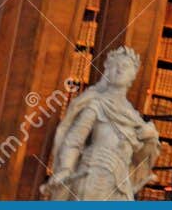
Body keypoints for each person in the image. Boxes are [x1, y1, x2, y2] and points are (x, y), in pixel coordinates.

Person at [43, 48, 160, 201]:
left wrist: (150, 138)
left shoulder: (134, 116)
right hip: (93, 176)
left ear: (133, 74)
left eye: (125, 66)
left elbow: (139, 159)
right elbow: (74, 140)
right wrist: (66, 168)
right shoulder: (97, 104)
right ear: (108, 70)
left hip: (120, 183)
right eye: (115, 65)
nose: (119, 69)